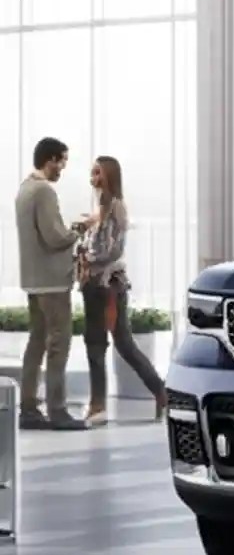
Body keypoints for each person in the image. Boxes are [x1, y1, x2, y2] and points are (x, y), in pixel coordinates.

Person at [77, 156, 167, 424]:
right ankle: (99, 405)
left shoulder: (116, 207)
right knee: (96, 343)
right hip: (94, 284)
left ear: (110, 176)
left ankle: (159, 392)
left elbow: (114, 249)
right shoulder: (101, 207)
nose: (93, 178)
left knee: (121, 344)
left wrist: (88, 257)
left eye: (98, 173)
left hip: (109, 286)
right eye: (92, 172)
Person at [14, 137, 88, 430]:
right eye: (62, 161)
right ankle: (58, 410)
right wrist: (79, 229)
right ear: (51, 159)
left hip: (33, 281)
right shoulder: (44, 191)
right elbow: (54, 236)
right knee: (59, 345)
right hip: (52, 284)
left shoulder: (24, 189)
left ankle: (29, 407)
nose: (63, 169)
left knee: (36, 344)